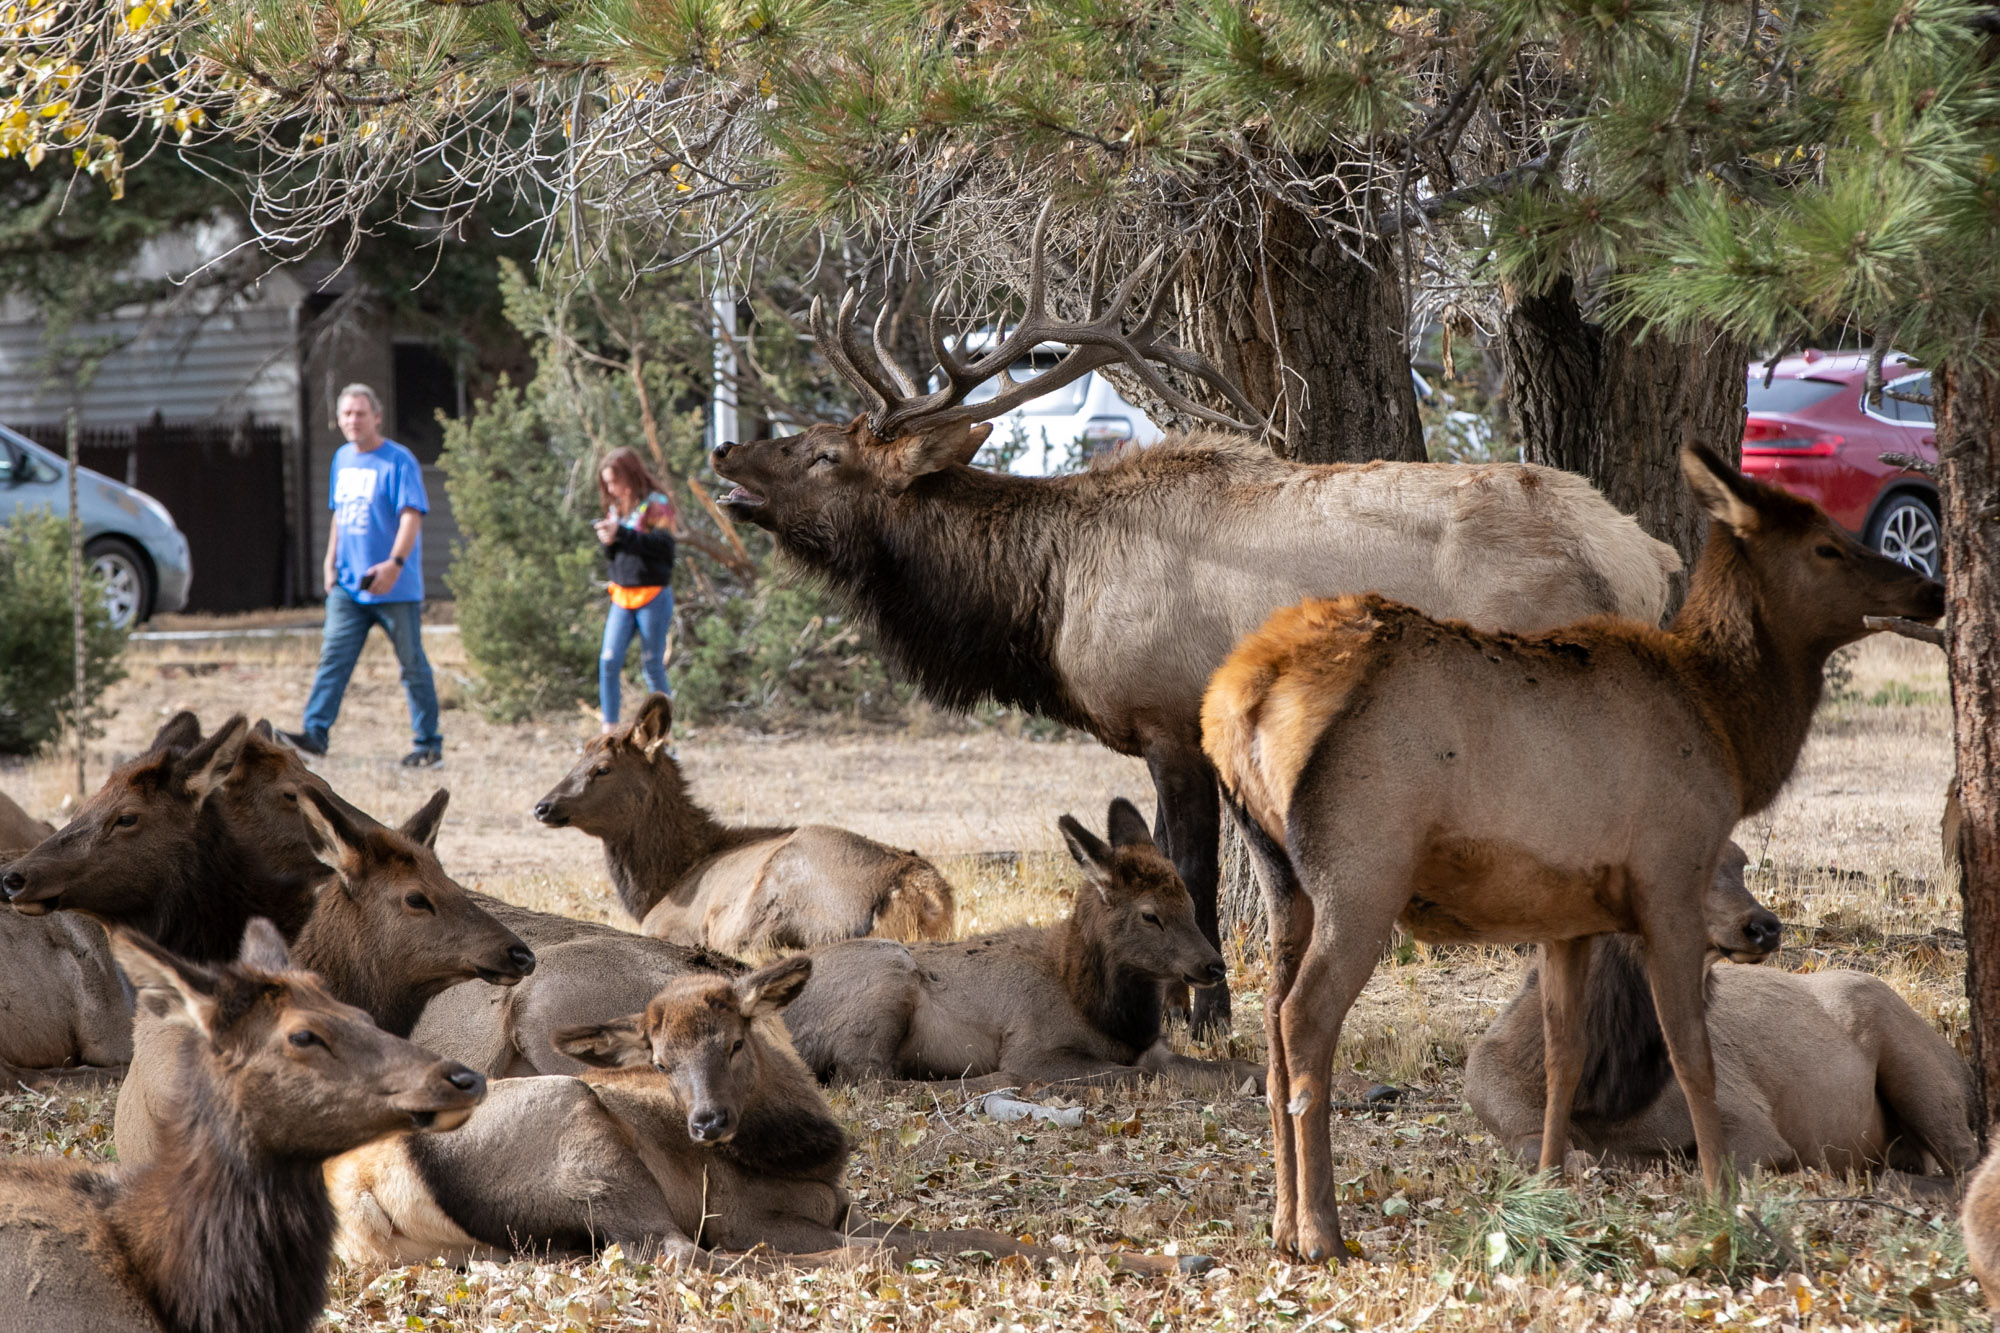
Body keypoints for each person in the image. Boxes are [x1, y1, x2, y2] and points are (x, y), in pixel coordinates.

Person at [278, 384, 443, 767]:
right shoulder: (342, 459)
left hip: (394, 586)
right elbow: (340, 513)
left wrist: (394, 564)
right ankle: (314, 736)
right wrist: (329, 561)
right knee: (332, 660)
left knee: (412, 665)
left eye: (361, 413)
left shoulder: (398, 461)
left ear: (377, 417)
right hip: (349, 588)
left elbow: (411, 516)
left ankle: (428, 745)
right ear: (339, 420)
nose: (353, 420)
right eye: (347, 414)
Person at [595, 447, 677, 731]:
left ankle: (664, 738)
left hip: (652, 596)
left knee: (652, 665)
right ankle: (610, 732)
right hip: (622, 596)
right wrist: (609, 542)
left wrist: (624, 534)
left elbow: (665, 549)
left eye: (613, 481)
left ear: (629, 475)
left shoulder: (657, 505)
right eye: (606, 483)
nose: (610, 488)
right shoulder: (617, 509)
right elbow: (619, 556)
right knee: (608, 661)